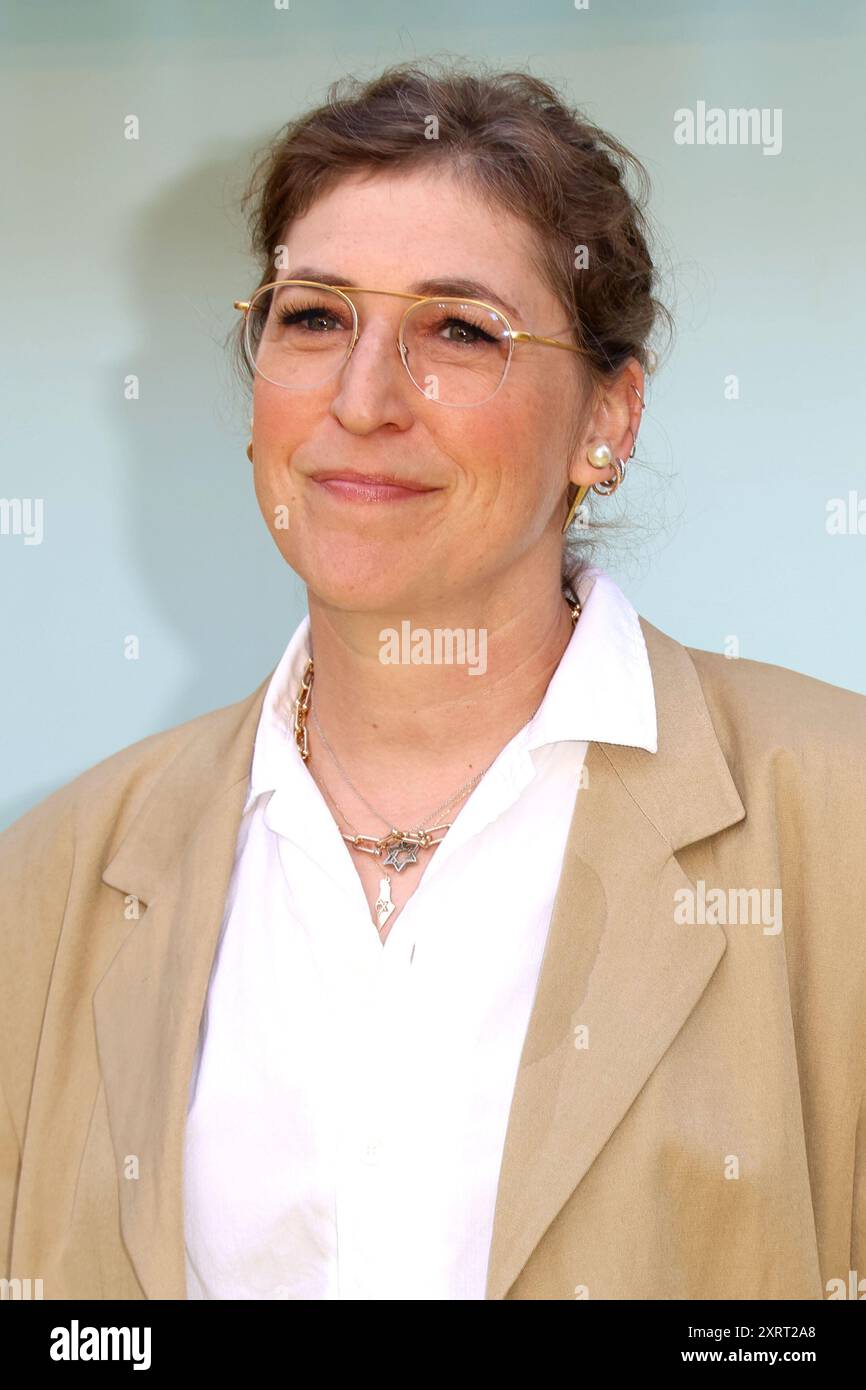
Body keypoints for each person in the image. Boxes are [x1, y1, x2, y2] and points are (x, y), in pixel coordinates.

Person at [2, 60, 864, 1303]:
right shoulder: (54, 882)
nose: (362, 399)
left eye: (458, 330)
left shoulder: (832, 828)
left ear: (605, 421)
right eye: (313, 318)